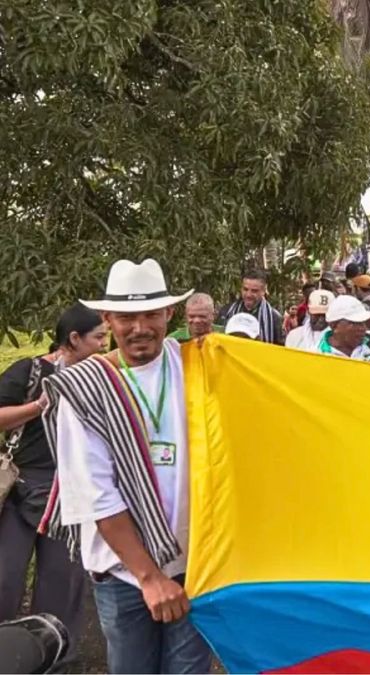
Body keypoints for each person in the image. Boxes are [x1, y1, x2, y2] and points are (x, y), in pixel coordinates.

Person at [41, 259, 212, 673]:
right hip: (125, 575)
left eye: (151, 314)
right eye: (126, 316)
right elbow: (95, 493)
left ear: (169, 314)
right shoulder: (87, 388)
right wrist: (152, 578)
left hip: (198, 566)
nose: (140, 327)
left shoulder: (200, 367)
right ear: (107, 319)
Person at [0, 304, 106, 660]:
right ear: (74, 339)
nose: (104, 345)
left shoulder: (98, 379)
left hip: (70, 493)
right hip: (23, 489)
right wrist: (38, 406)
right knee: (5, 576)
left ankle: (52, 656)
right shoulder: (29, 371)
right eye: (99, 337)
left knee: (62, 583)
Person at [220, 269, 284, 345]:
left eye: (254, 291)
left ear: (263, 291)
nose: (248, 295)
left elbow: (280, 348)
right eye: (245, 289)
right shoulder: (227, 312)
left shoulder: (274, 318)